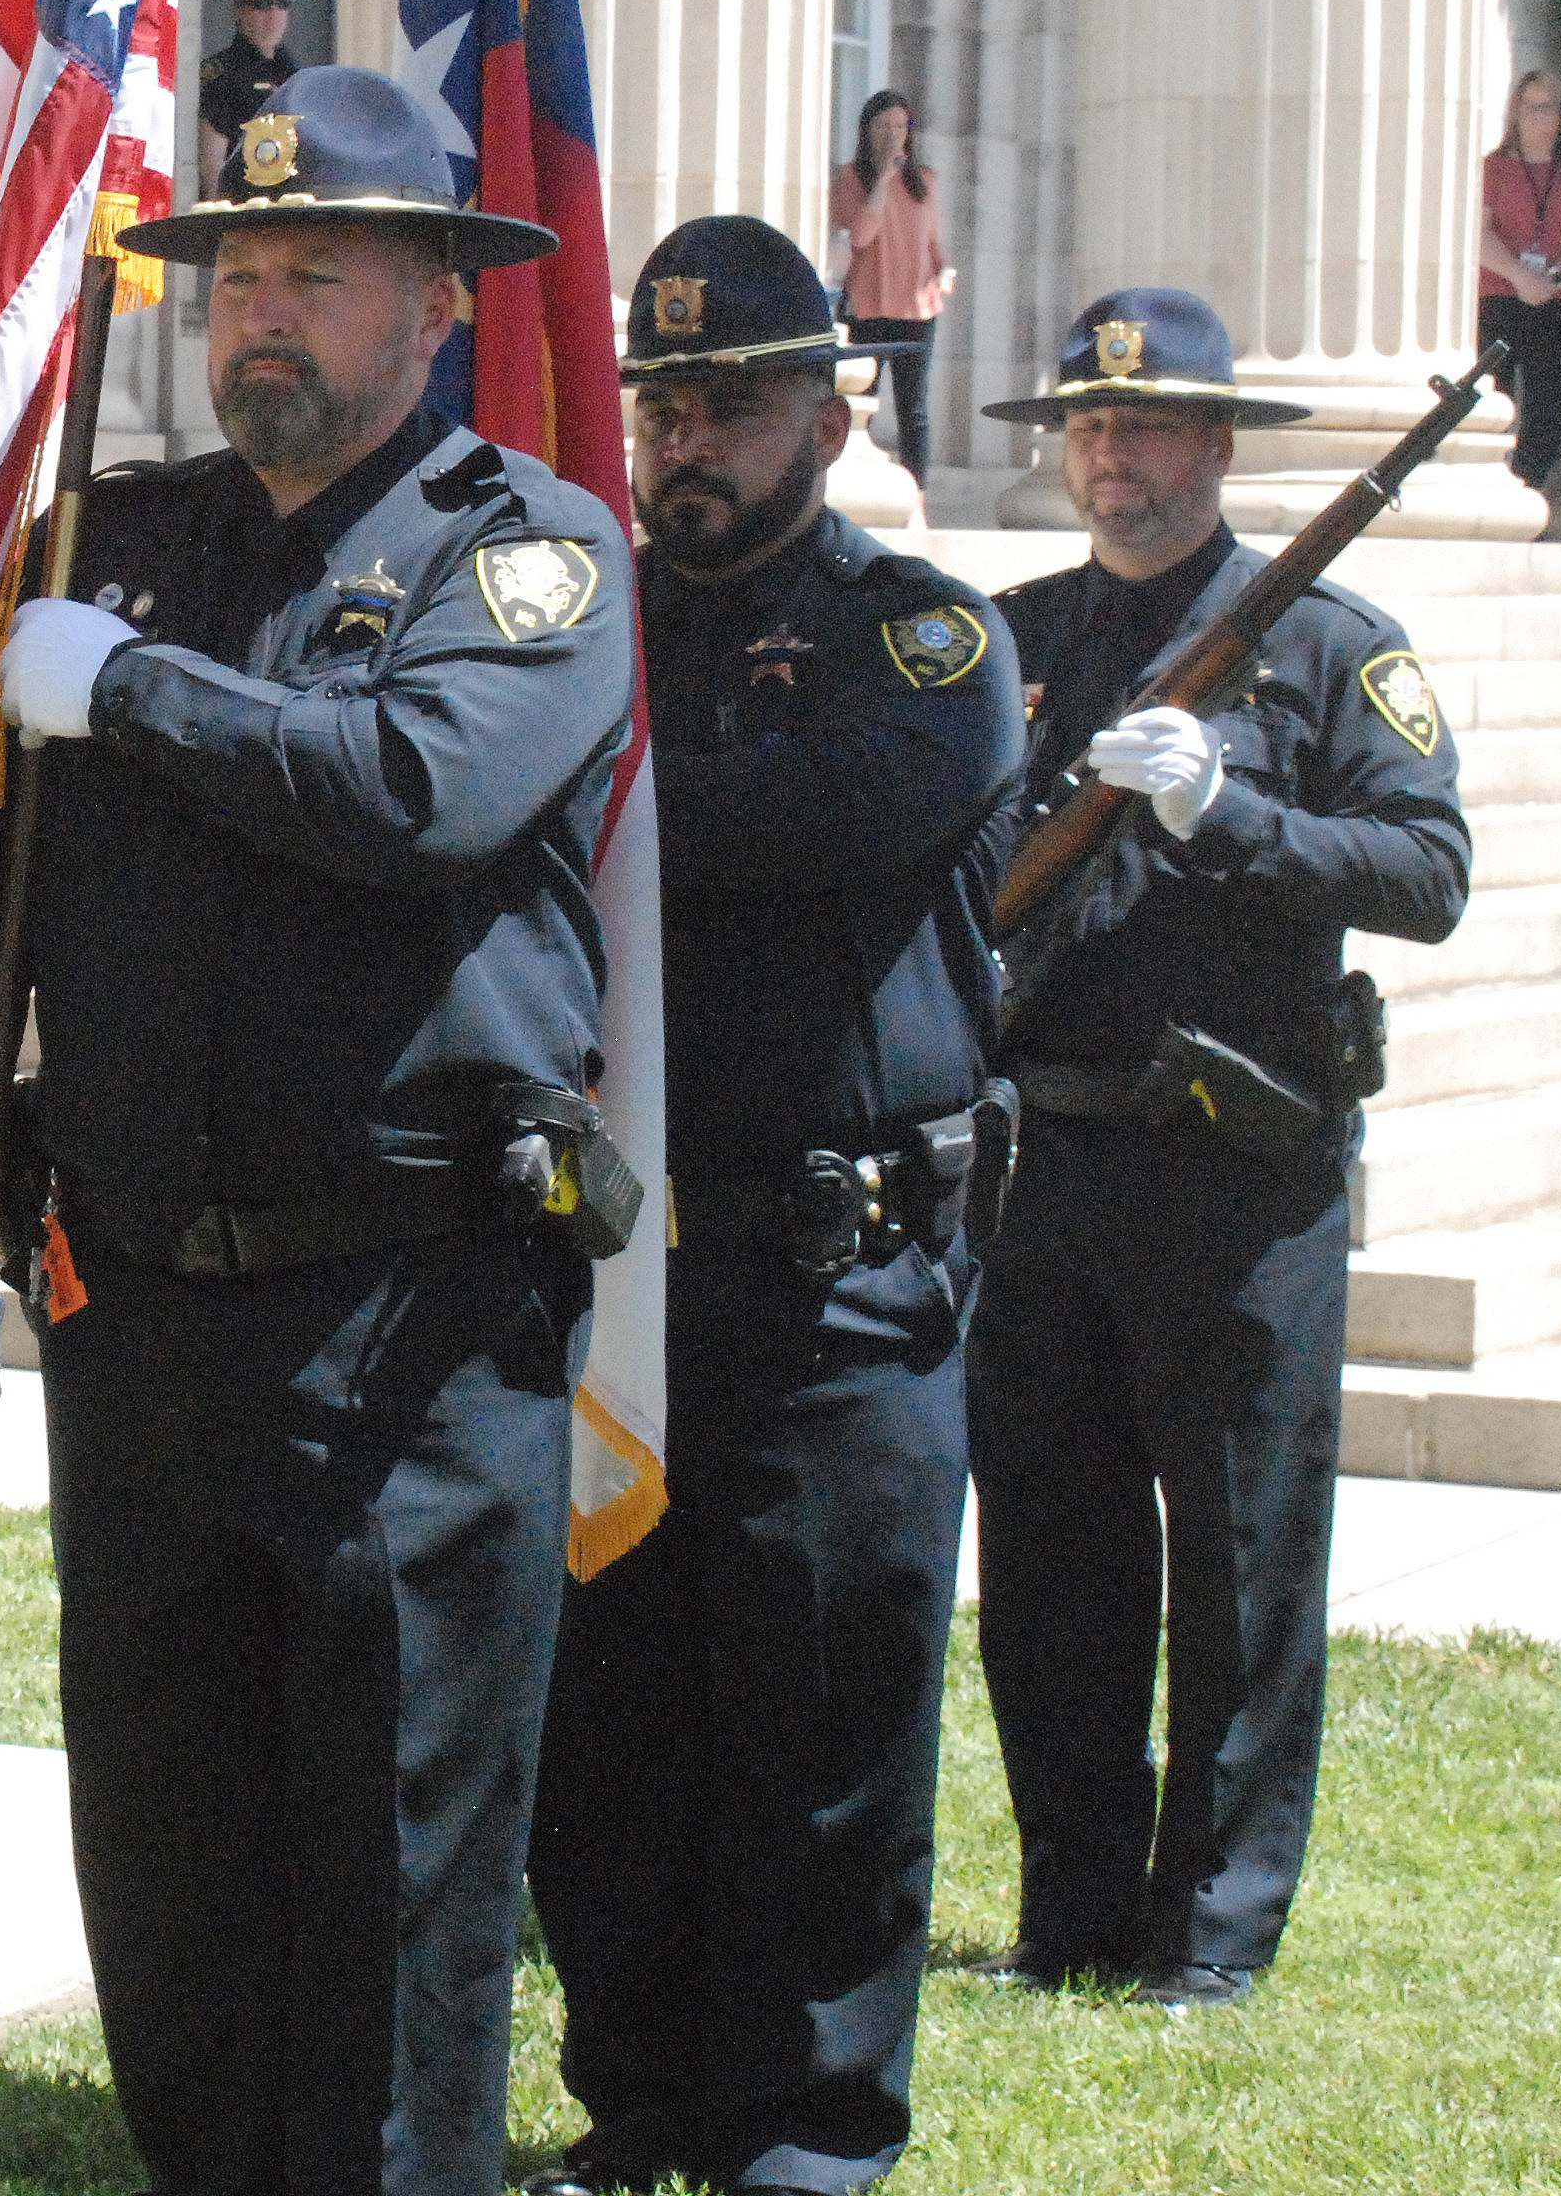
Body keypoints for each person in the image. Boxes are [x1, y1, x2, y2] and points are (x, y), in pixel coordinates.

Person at [0, 64, 638, 2196]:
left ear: (435, 308)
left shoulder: (529, 548)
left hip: (407, 1326)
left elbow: (418, 790)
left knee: (391, 1885)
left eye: (317, 275)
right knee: (170, 1865)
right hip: (135, 1317)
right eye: (235, 279)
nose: (262, 315)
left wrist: (130, 693)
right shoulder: (110, 548)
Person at [524, 218, 1018, 2196]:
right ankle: (639, 2104)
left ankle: (807, 2135)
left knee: (822, 1735)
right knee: (612, 1732)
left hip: (836, 1288)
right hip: (626, 1273)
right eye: (659, 406)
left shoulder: (926, 642)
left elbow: (811, 819)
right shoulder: (583, 627)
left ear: (829, 414)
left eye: (730, 403)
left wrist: (557, 792)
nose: (685, 442)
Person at [965, 292, 1468, 2013]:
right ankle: (1073, 1912)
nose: (1113, 452)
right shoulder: (1018, 637)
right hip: (1046, 1160)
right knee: (1053, 1559)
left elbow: (1426, 874)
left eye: (1150, 423)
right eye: (1091, 424)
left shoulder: (1327, 647)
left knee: (1242, 1560)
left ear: (1219, 445)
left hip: (1237, 1169)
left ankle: (1216, 1931)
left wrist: (1227, 811)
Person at [1475, 66, 1561, 501]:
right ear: (1515, 111)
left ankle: (1530, 490)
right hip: (1500, 294)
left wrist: (1554, 278)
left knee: (1550, 402)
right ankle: (1488, 488)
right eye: (1532, 107)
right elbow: (1478, 233)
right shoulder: (1494, 167)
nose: (1542, 117)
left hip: (1558, 296)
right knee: (1492, 396)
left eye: (1550, 107)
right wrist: (1518, 275)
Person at [827, 91, 956, 488]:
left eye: (901, 126)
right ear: (867, 130)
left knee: (913, 410)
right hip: (868, 307)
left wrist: (946, 272)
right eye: (883, 126)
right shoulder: (850, 179)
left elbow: (932, 242)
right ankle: (852, 487)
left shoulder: (925, 180)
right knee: (859, 402)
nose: (893, 134)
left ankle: (917, 497)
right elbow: (859, 237)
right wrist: (882, 179)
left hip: (916, 309)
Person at [196, 0, 301, 184]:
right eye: (262, 5)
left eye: (282, 5)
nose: (274, 14)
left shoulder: (294, 74)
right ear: (239, 12)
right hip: (243, 192)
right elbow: (211, 165)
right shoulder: (222, 74)